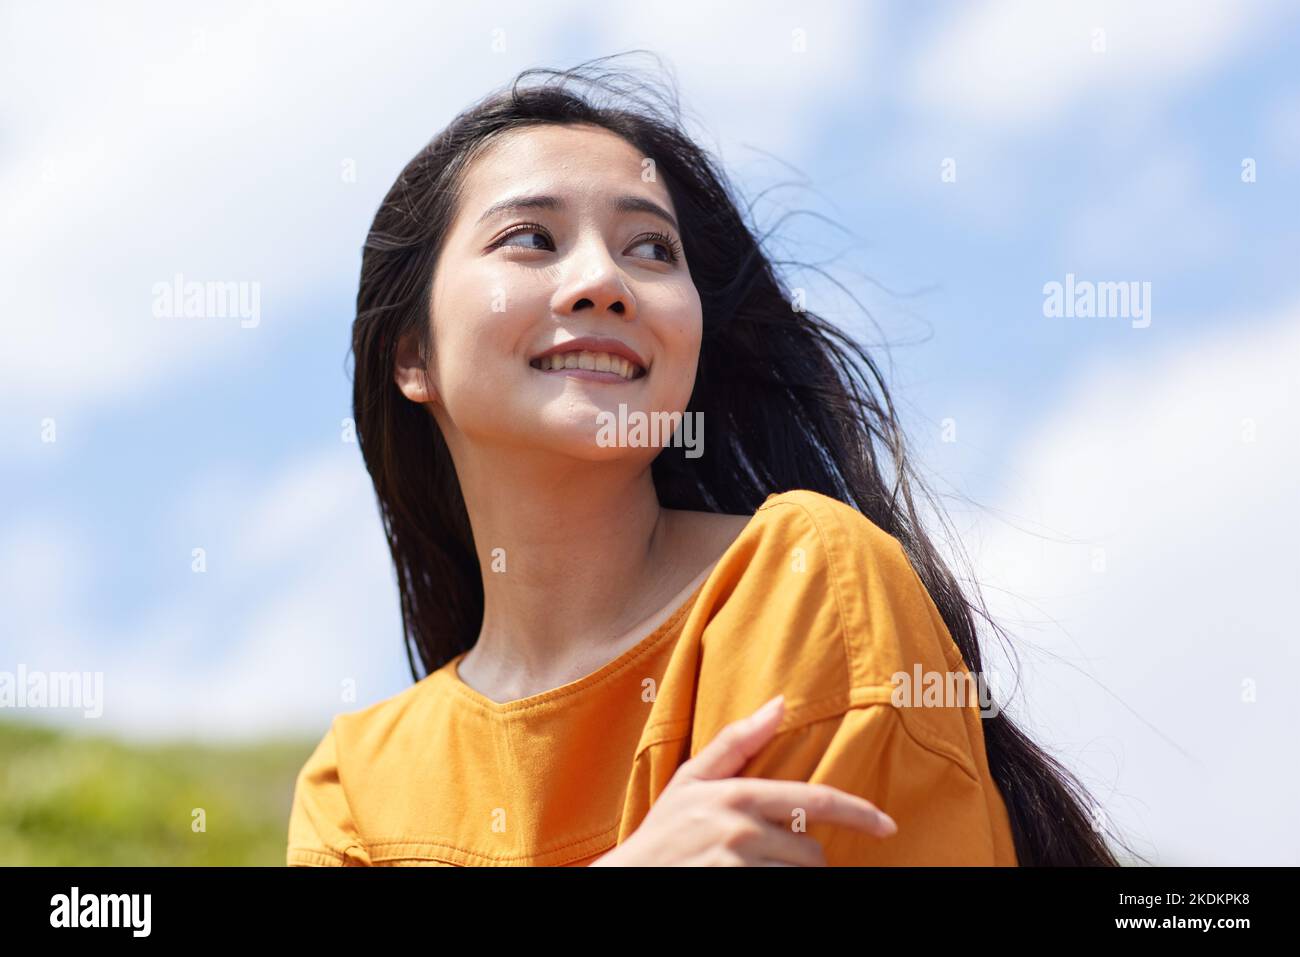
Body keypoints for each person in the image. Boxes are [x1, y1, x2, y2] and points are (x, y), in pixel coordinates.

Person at [286, 53, 1124, 867]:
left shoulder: (801, 583)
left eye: (651, 250)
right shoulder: (355, 786)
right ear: (412, 357)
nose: (603, 281)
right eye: (531, 237)